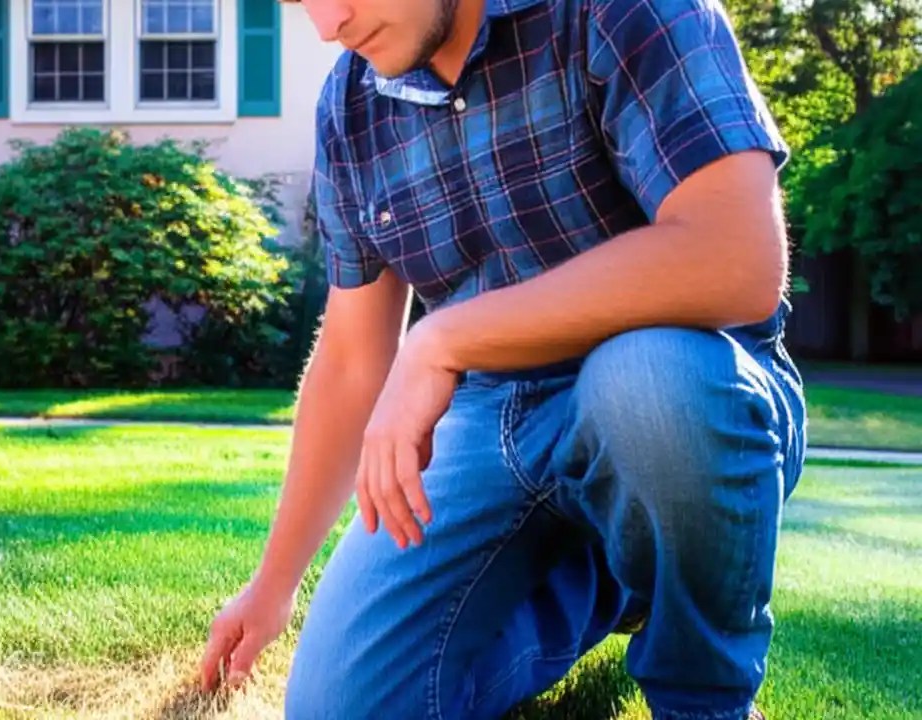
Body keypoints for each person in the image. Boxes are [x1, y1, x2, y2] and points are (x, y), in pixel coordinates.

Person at [199, 0, 807, 717]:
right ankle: (607, 581)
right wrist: (273, 585)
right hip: (488, 420)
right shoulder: (349, 104)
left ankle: (701, 695)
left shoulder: (618, 10)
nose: (328, 24)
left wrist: (443, 338)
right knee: (341, 708)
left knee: (649, 382)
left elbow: (733, 256)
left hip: (672, 396)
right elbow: (350, 359)